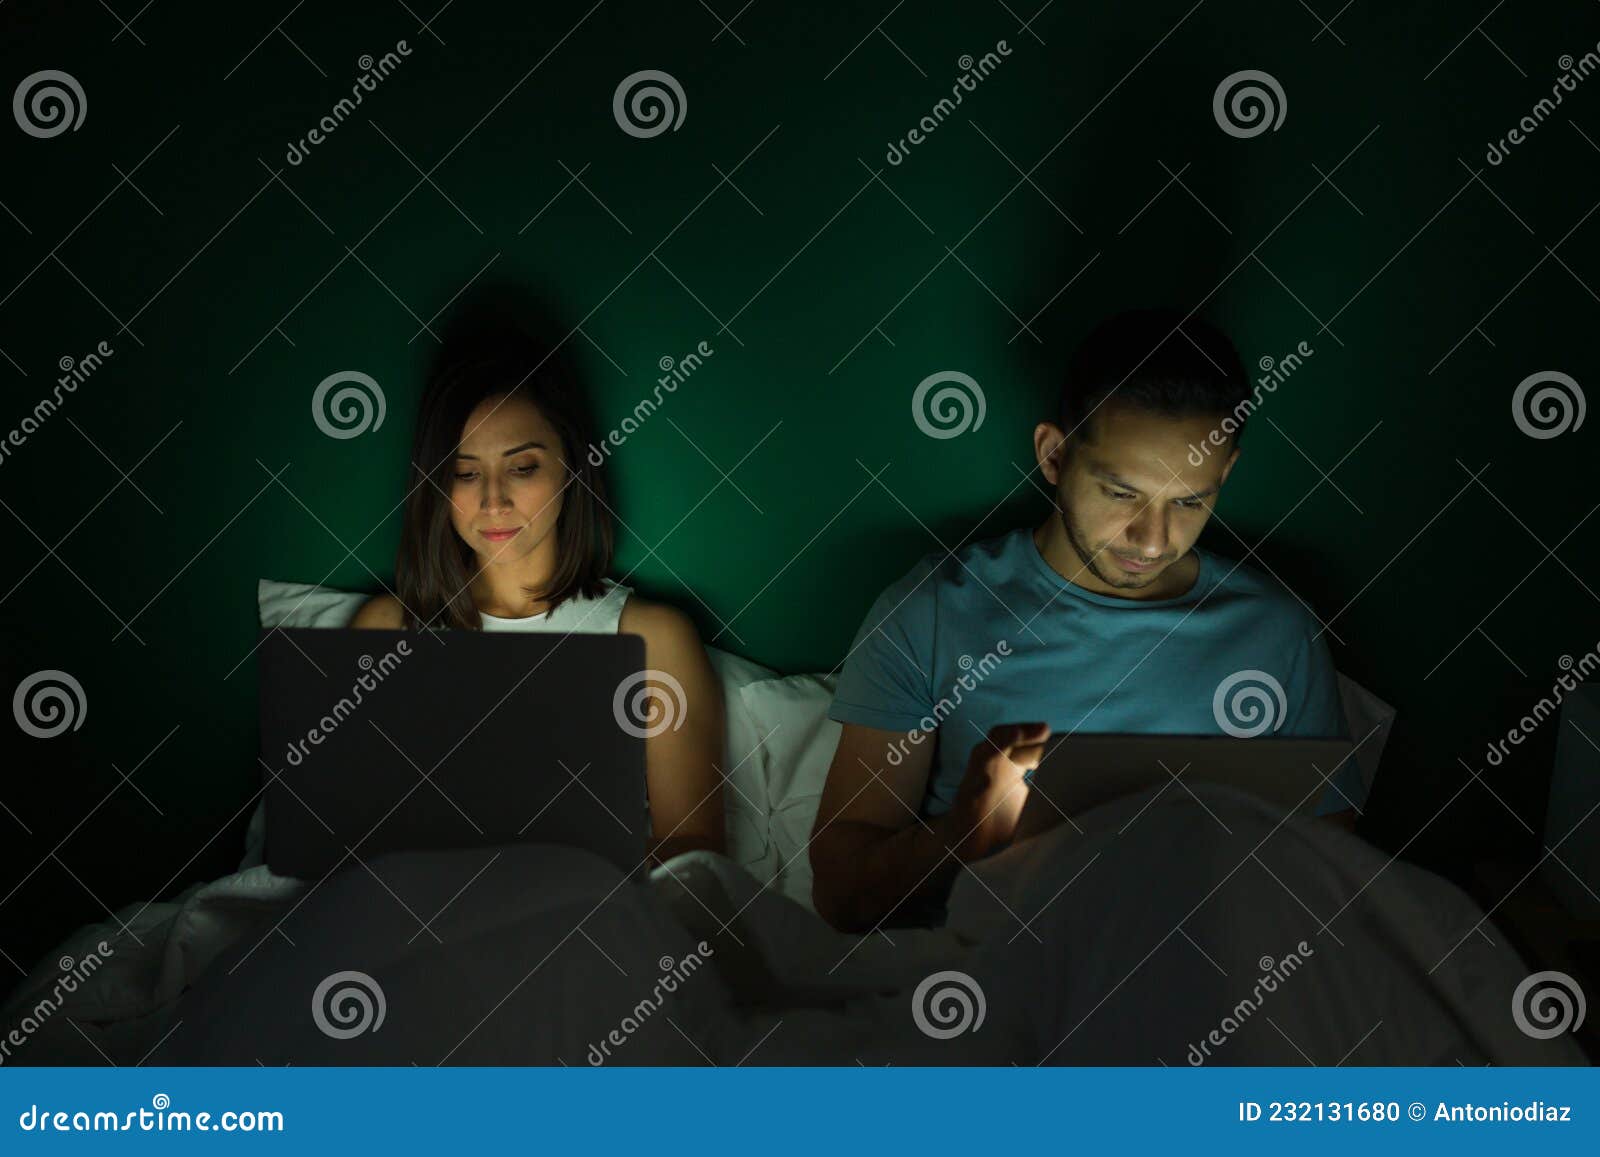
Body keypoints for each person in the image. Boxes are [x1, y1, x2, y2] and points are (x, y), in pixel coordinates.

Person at [809, 307, 1357, 933]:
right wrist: (964, 833)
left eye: (1189, 501)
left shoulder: (1279, 632)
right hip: (981, 981)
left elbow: (1330, 881)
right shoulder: (932, 612)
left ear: (1225, 472)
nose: (1151, 540)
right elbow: (841, 896)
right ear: (1053, 455)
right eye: (1122, 493)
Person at [351, 311, 724, 865]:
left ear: (571, 467)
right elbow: (350, 832)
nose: (494, 502)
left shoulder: (651, 638)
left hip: (581, 920)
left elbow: (693, 855)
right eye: (465, 472)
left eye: (522, 468)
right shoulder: (384, 631)